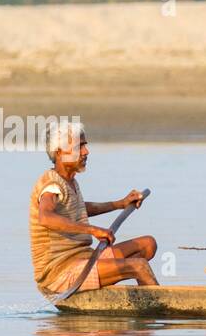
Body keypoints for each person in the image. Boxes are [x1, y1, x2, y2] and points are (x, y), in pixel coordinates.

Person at [29, 120, 158, 298]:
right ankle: (160, 313)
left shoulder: (69, 181)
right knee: (139, 265)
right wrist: (92, 230)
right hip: (60, 275)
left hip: (85, 259)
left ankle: (124, 291)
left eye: (85, 145)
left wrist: (120, 203)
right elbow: (46, 217)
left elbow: (79, 209)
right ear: (60, 153)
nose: (86, 151)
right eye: (79, 147)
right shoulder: (51, 184)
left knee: (148, 245)